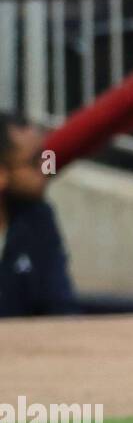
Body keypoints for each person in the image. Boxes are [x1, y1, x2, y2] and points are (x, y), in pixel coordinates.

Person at [0, 113, 76, 318]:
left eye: (46, 156)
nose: (46, 169)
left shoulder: (39, 219)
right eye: (35, 162)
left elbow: (60, 305)